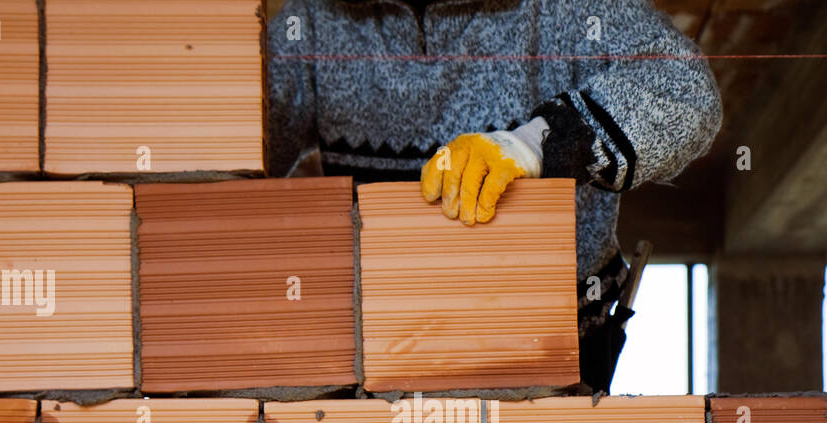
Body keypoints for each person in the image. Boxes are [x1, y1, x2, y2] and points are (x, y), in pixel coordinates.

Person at [268, 0, 722, 392]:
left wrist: (540, 142)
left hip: (557, 364)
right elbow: (226, 150)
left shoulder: (568, 9)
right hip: (378, 367)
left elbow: (684, 91)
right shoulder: (313, 19)